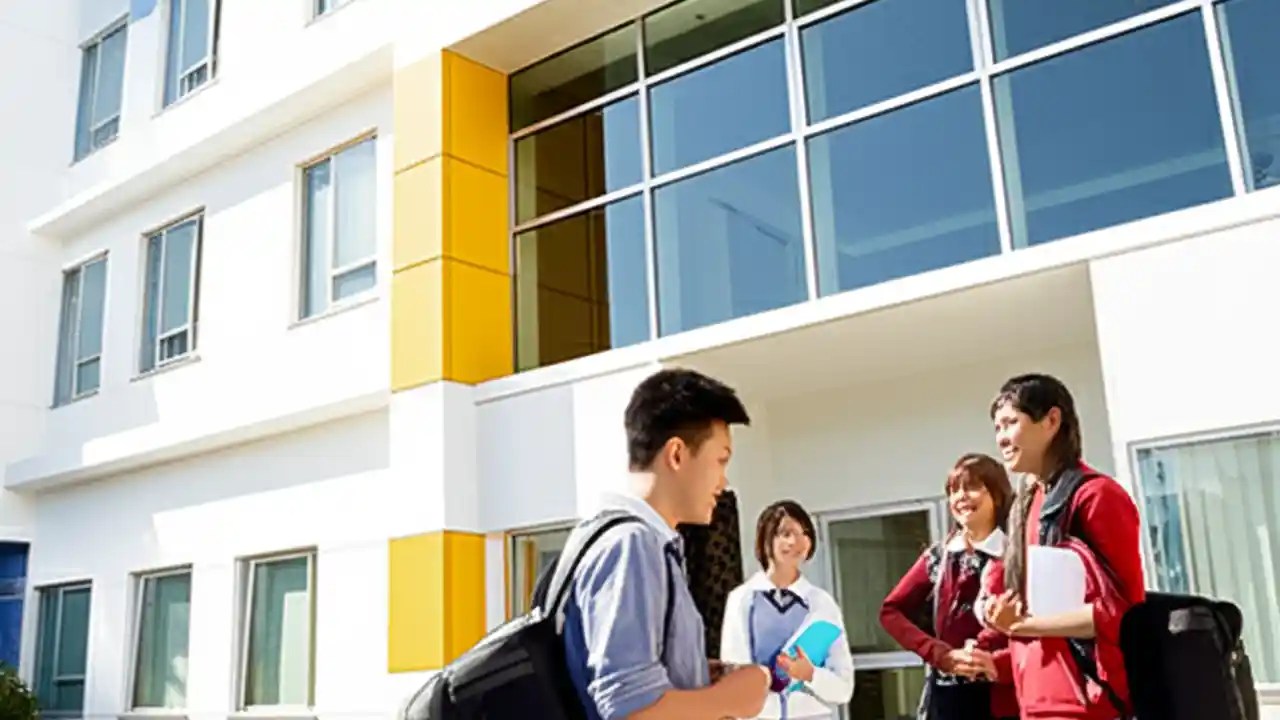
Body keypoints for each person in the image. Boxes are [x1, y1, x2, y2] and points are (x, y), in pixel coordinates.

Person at [561, 368, 772, 720]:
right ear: (676, 454)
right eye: (720, 460)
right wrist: (732, 699)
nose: (723, 481)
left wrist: (692, 671)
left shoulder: (609, 538)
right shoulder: (632, 545)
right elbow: (632, 711)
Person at [978, 374, 1145, 720]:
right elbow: (1009, 600)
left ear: (1052, 420)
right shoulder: (1025, 505)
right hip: (1036, 702)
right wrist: (993, 626)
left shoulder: (1096, 496)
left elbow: (1124, 614)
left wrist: (1020, 626)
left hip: (1090, 705)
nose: (1001, 439)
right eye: (997, 428)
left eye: (1010, 423)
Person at [879, 453, 1019, 720]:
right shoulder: (939, 556)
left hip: (1002, 698)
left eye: (973, 487)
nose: (962, 497)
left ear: (997, 495)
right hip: (946, 700)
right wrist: (939, 653)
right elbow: (891, 612)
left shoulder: (1016, 556)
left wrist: (996, 662)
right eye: (954, 490)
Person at [720, 500, 855, 719]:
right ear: (766, 540)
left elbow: (844, 688)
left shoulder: (822, 604)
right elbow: (733, 677)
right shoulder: (742, 600)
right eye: (786, 533)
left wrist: (809, 674)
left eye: (804, 533)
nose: (797, 542)